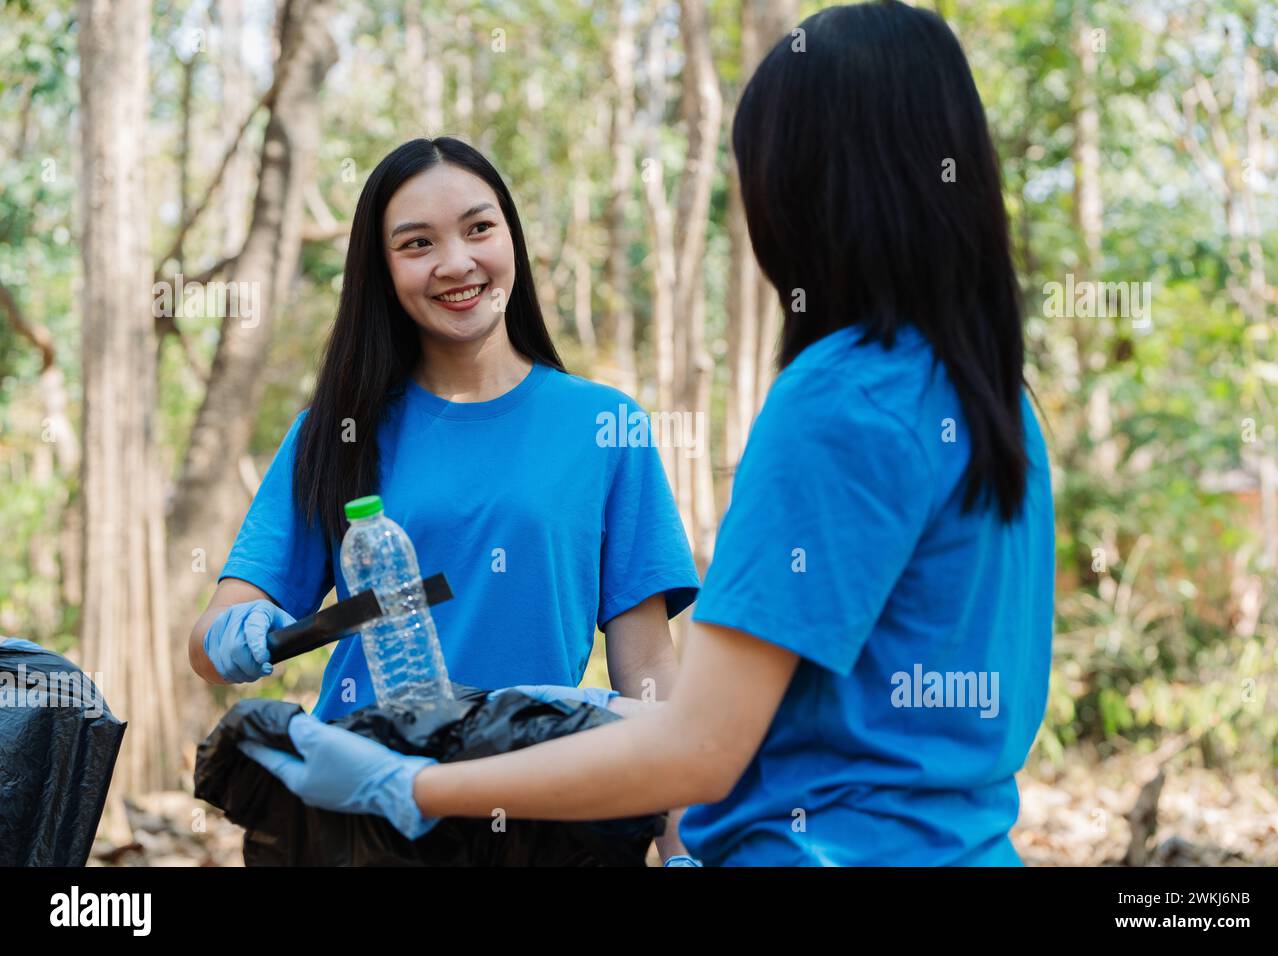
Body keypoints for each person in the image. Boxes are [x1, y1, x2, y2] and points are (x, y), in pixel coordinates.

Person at [239, 0, 1056, 866]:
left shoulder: (835, 401)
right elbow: (728, 717)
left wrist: (407, 787)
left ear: (811, 185)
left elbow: (698, 741)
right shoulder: (998, 400)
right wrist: (524, 715)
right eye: (416, 243)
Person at [188, 137, 700, 861]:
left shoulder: (602, 427)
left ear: (511, 239)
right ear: (383, 268)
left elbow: (648, 670)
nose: (455, 263)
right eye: (417, 243)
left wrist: (682, 846)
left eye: (478, 228)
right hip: (359, 812)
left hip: (538, 815)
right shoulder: (335, 433)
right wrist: (235, 634)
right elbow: (212, 639)